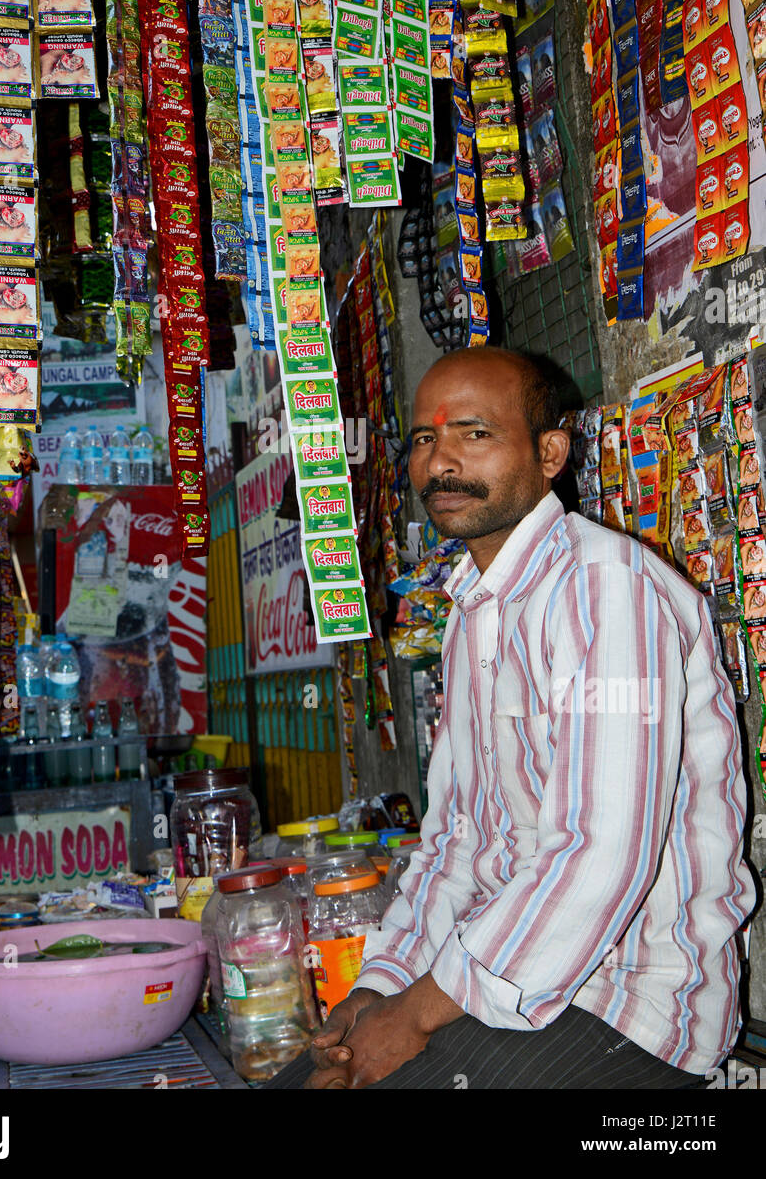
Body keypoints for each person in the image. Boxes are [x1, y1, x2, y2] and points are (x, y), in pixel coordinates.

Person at [267, 346, 755, 1089]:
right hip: (495, 981)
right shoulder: (473, 615)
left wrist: (417, 1013)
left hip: (629, 1002)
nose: (441, 462)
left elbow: (600, 856)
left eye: (474, 433)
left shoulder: (603, 593)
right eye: (425, 440)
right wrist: (377, 988)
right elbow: (456, 840)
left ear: (551, 452)